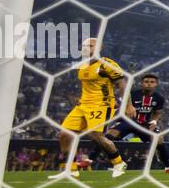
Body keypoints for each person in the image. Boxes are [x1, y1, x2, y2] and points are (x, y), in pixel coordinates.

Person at [47, 37, 128, 179]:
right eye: (84, 45)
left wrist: (127, 104)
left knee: (97, 136)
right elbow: (88, 85)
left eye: (90, 46)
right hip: (83, 105)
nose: (86, 48)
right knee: (65, 135)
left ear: (99, 48)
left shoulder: (106, 64)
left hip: (101, 104)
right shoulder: (82, 65)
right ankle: (71, 169)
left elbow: (122, 84)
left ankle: (119, 163)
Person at [105, 72, 169, 172]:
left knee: (159, 139)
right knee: (108, 136)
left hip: (144, 125)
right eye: (146, 81)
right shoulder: (132, 94)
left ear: (156, 84)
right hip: (128, 122)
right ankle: (102, 161)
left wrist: (154, 121)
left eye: (152, 82)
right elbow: (119, 105)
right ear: (141, 83)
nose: (149, 84)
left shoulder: (159, 98)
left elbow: (157, 112)